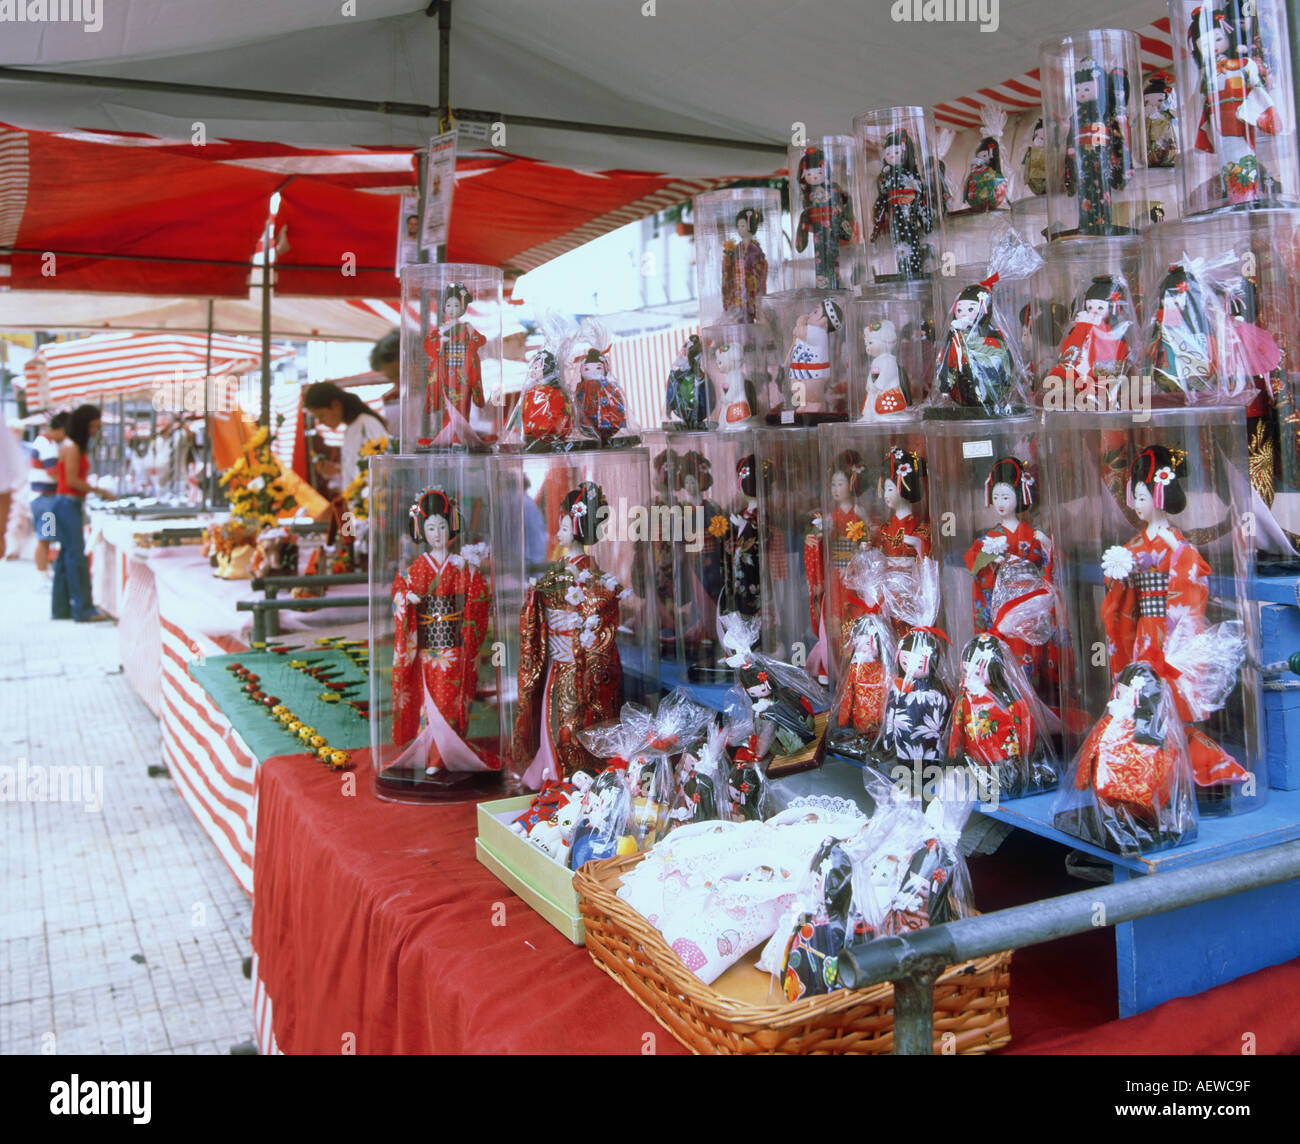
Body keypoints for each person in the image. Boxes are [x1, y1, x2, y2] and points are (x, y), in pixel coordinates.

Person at [52, 403, 114, 622]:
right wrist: (100, 490)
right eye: (93, 427)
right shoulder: (73, 447)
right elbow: (72, 480)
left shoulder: (70, 445)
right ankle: (83, 609)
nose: (95, 432)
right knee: (76, 557)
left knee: (66, 556)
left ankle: (60, 608)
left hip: (65, 504)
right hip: (68, 503)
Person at [302, 382, 388, 488]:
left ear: (336, 405)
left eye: (321, 416)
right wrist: (337, 469)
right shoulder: (351, 429)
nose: (320, 422)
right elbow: (357, 470)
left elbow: (378, 472)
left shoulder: (366, 424)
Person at [27, 411, 68, 571]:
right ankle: (42, 575)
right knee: (45, 538)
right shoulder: (46, 443)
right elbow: (53, 472)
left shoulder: (45, 442)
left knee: (46, 537)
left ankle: (44, 573)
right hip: (44, 498)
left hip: (44, 498)